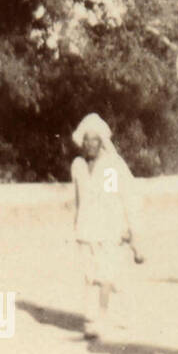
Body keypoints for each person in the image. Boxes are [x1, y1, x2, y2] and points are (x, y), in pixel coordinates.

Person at [70, 114, 142, 340]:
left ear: (102, 142)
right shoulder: (78, 166)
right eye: (86, 140)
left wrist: (126, 229)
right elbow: (78, 199)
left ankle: (99, 319)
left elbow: (113, 198)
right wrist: (77, 225)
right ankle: (111, 315)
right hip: (85, 228)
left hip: (107, 228)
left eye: (94, 139)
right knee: (91, 275)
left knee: (105, 275)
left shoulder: (110, 166)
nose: (89, 144)